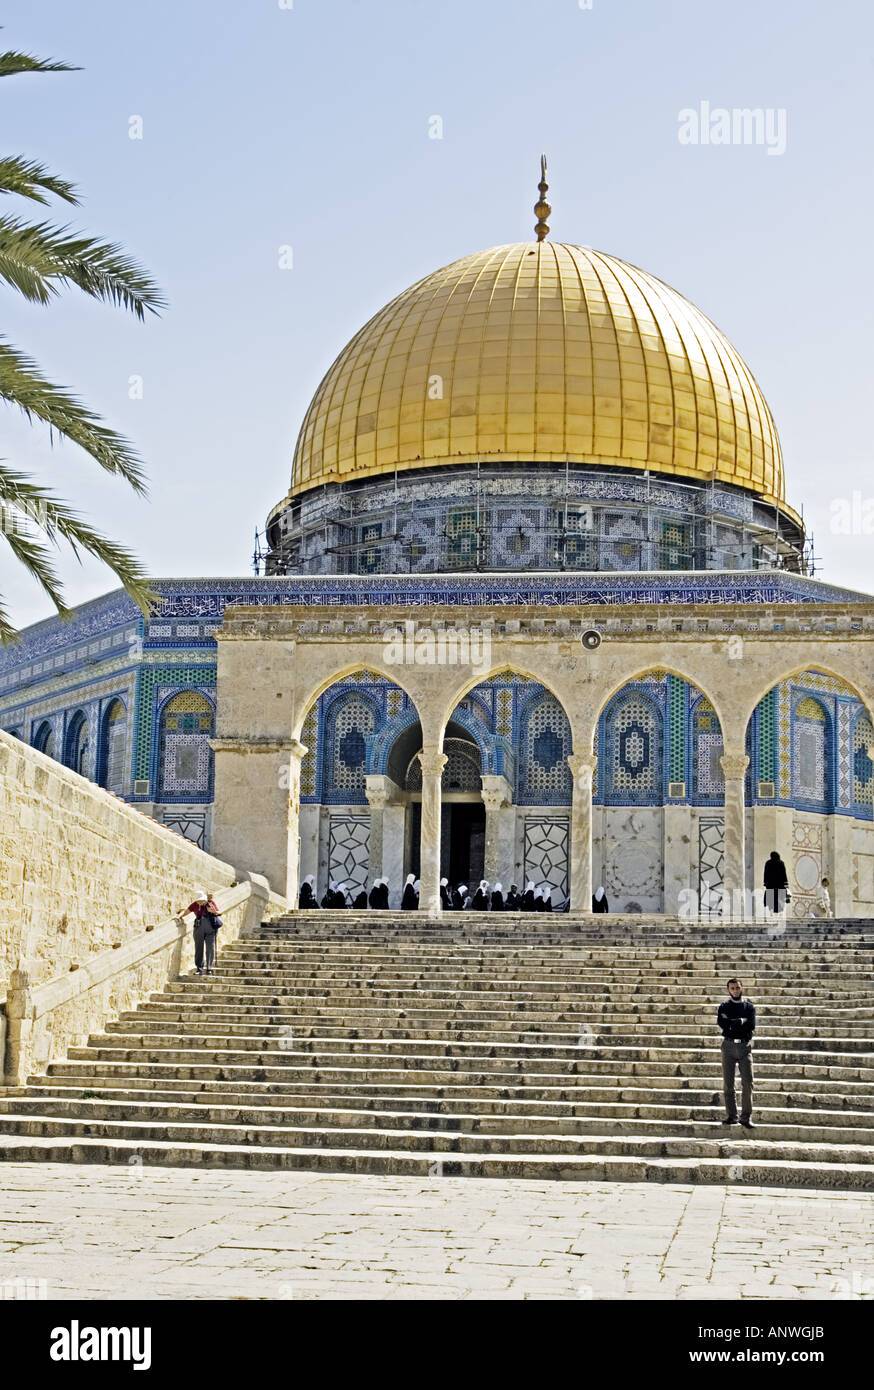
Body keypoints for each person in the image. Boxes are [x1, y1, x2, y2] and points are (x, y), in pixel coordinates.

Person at [717, 977, 756, 1128]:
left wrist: (733, 1024)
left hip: (744, 1046)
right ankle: (732, 1116)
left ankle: (746, 1117)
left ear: (742, 988)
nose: (735, 990)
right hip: (728, 1046)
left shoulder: (749, 1007)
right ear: (728, 990)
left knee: (747, 1082)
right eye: (732, 988)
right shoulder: (724, 1006)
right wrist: (740, 1021)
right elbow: (722, 1024)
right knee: (728, 1083)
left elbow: (750, 1025)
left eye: (737, 988)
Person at [185, 890, 221, 976]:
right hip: (198, 926)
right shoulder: (195, 904)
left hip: (210, 927)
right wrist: (179, 916)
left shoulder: (210, 903)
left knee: (210, 947)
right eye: (198, 901)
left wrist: (213, 911)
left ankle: (209, 968)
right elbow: (187, 911)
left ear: (204, 899)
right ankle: (199, 968)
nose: (199, 902)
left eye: (201, 900)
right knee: (198, 948)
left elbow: (219, 912)